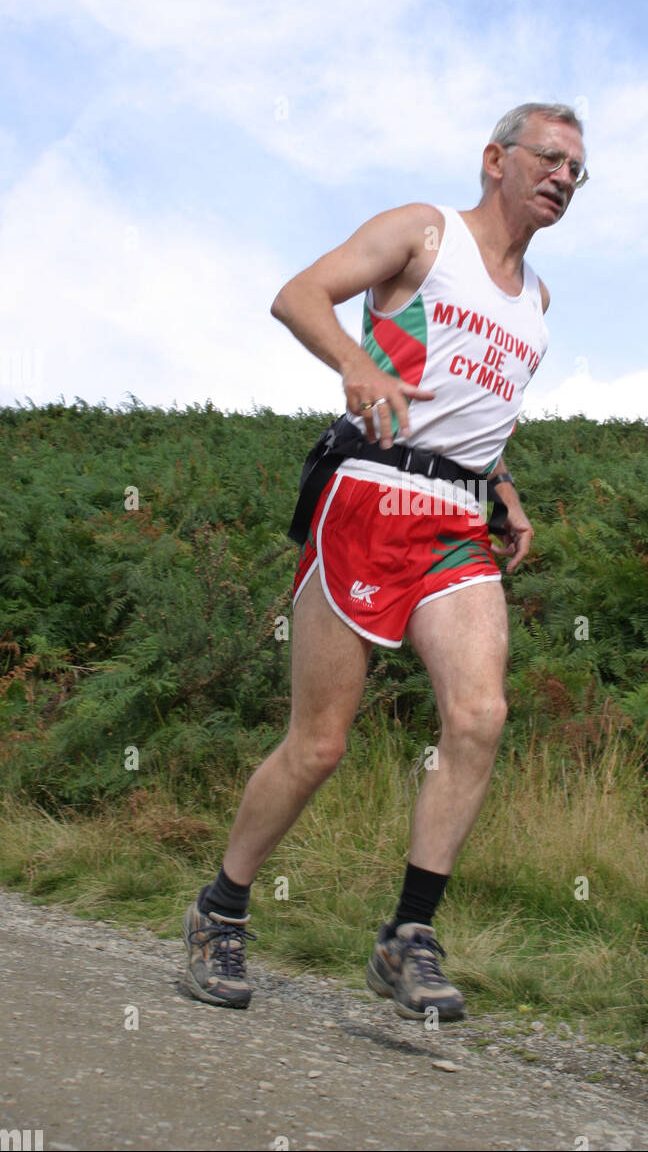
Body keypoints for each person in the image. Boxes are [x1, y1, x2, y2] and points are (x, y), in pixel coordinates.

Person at [182, 102, 588, 1019]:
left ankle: (408, 936)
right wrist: (353, 367)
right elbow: (298, 296)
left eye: (578, 170)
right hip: (366, 495)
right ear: (497, 158)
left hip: (454, 517)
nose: (565, 178)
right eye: (551, 158)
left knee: (480, 713)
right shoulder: (423, 234)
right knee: (321, 743)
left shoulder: (538, 302)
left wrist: (505, 486)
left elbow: (470, 405)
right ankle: (221, 908)